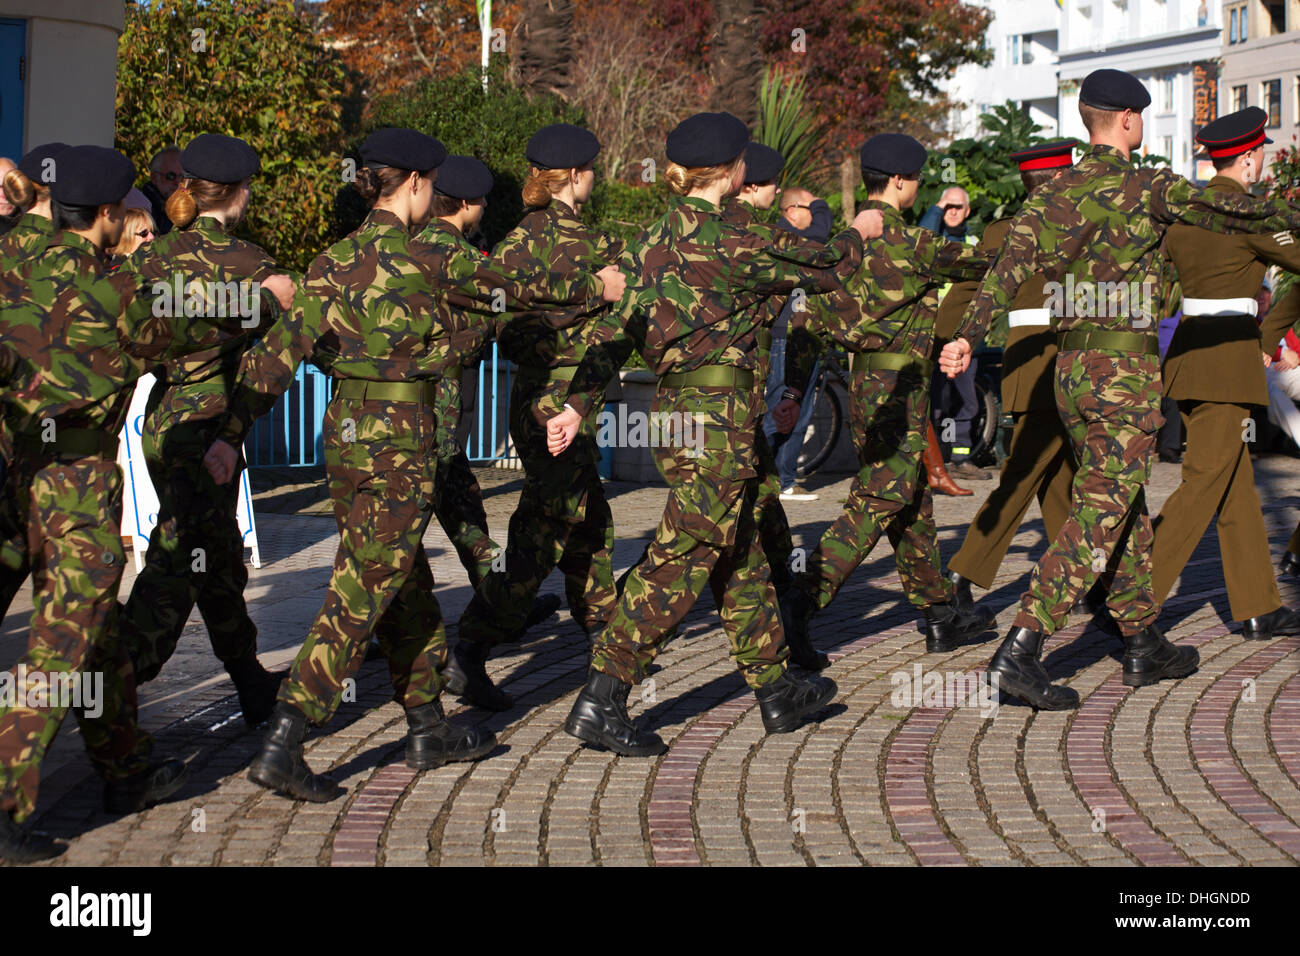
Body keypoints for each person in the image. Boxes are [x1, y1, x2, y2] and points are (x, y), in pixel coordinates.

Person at [203, 128, 624, 801]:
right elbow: (519, 287)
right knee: (365, 585)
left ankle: (427, 723)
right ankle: (287, 735)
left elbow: (275, 355)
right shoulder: (434, 257)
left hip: (345, 438)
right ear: (420, 184)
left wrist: (229, 433)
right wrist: (595, 284)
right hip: (401, 441)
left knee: (404, 581)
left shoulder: (333, 259)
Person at [941, 69, 1300, 709]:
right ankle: (1021, 649)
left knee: (1122, 501)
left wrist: (967, 335)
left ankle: (1142, 641)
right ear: (1130, 120)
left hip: (1070, 373)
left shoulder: (1053, 193)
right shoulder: (1149, 187)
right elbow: (1231, 206)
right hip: (1123, 376)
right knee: (1101, 511)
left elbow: (1005, 269)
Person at [548, 112, 882, 756]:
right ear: (732, 173)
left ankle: (776, 687)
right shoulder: (738, 242)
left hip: (676, 416)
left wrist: (576, 404)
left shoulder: (647, 241)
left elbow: (612, 331)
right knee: (685, 553)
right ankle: (604, 695)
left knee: (742, 548)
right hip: (719, 418)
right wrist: (861, 229)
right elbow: (828, 263)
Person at [0, 145, 190, 862]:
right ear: (108, 215)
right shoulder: (117, 292)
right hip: (78, 482)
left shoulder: (14, 269)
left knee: (95, 630)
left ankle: (127, 770)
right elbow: (178, 336)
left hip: (21, 472)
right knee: (60, 645)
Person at [781, 133, 996, 659]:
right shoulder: (913, 245)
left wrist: (792, 384)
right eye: (917, 179)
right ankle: (799, 600)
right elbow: (986, 263)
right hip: (901, 390)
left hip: (863, 385)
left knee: (912, 497)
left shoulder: (844, 246)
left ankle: (939, 612)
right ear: (899, 181)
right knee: (881, 498)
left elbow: (804, 317)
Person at [114, 134, 298, 727]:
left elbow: (134, 336)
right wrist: (236, 431)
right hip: (212, 427)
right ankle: (115, 678)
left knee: (215, 556)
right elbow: (274, 358)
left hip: (162, 420)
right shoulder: (253, 264)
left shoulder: (150, 258)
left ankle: (248, 681)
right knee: (180, 558)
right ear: (240, 193)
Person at [451, 124, 625, 711]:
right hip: (565, 406)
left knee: (589, 527)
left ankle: (607, 642)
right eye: (592, 170)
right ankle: (470, 647)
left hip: (527, 400)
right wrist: (593, 296)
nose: (595, 179)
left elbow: (499, 322)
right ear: (575, 177)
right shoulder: (590, 246)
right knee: (539, 536)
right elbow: (620, 320)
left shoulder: (512, 241)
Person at [1146, 107, 1300, 641]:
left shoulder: (1186, 212)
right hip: (1226, 364)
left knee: (1234, 489)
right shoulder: (1249, 213)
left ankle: (1259, 605)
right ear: (1250, 156)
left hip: (1188, 357)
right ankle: (1130, 599)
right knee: (1203, 485)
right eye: (1261, 155)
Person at [945, 140, 1079, 614]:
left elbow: (967, 289)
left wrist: (947, 341)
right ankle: (959, 577)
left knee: (1060, 480)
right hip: (1067, 364)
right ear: (1064, 176)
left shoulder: (1002, 230)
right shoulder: (1078, 224)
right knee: (1023, 476)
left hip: (1025, 366)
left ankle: (1084, 583)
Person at [764, 184, 833, 502]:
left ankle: (783, 481)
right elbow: (822, 230)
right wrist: (821, 203)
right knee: (781, 408)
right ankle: (752, 476)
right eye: (810, 207)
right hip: (786, 339)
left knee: (798, 410)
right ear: (792, 212)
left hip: (803, 336)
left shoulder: (796, 241)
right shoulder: (784, 235)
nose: (817, 211)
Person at [923, 185, 991, 482]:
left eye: (957, 206)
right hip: (933, 335)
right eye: (946, 206)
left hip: (964, 336)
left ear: (968, 210)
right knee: (935, 401)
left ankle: (960, 459)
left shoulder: (975, 242)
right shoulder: (932, 240)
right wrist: (937, 208)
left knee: (968, 401)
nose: (952, 211)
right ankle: (934, 462)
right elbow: (921, 237)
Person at [140, 146, 182, 235]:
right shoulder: (143, 210)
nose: (177, 182)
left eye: (182, 177)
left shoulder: (190, 205)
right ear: (154, 178)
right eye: (170, 176)